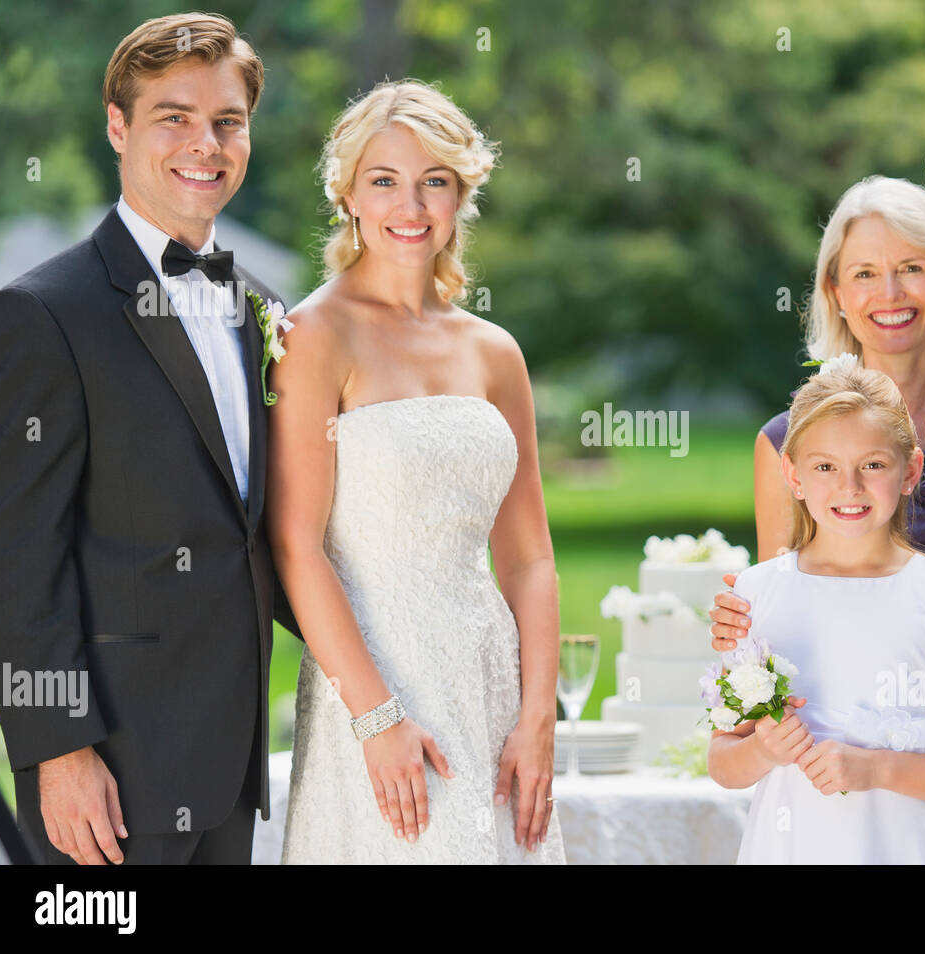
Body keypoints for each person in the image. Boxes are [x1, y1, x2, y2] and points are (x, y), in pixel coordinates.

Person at [0, 13, 300, 865]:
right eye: (175, 117)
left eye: (227, 122)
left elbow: (267, 536)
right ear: (118, 127)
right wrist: (58, 750)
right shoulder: (41, 315)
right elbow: (11, 557)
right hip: (107, 779)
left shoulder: (261, 309)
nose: (207, 143)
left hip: (233, 766)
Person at [710, 176, 925, 864]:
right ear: (835, 292)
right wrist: (734, 628)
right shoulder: (787, 442)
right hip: (821, 762)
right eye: (865, 273)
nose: (889, 293)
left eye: (910, 270)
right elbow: (777, 620)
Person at [270, 79, 565, 863]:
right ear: (349, 196)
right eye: (385, 180)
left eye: (434, 180)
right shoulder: (312, 336)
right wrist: (375, 717)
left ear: (461, 194)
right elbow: (296, 546)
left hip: (491, 688)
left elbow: (529, 555)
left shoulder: (494, 353)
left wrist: (538, 717)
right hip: (372, 690)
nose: (412, 204)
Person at [707, 359, 925, 863]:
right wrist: (763, 750)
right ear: (793, 475)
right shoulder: (754, 596)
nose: (849, 487)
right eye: (825, 466)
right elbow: (723, 761)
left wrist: (878, 770)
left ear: (910, 470)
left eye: (872, 464)